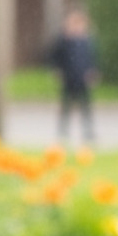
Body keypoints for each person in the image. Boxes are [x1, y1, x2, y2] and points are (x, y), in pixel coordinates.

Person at [48, 8, 98, 144]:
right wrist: (57, 71)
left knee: (85, 107)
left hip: (82, 78)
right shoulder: (63, 41)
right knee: (66, 107)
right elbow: (54, 57)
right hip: (68, 78)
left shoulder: (87, 41)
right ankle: (63, 132)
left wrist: (92, 71)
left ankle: (88, 132)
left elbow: (92, 58)